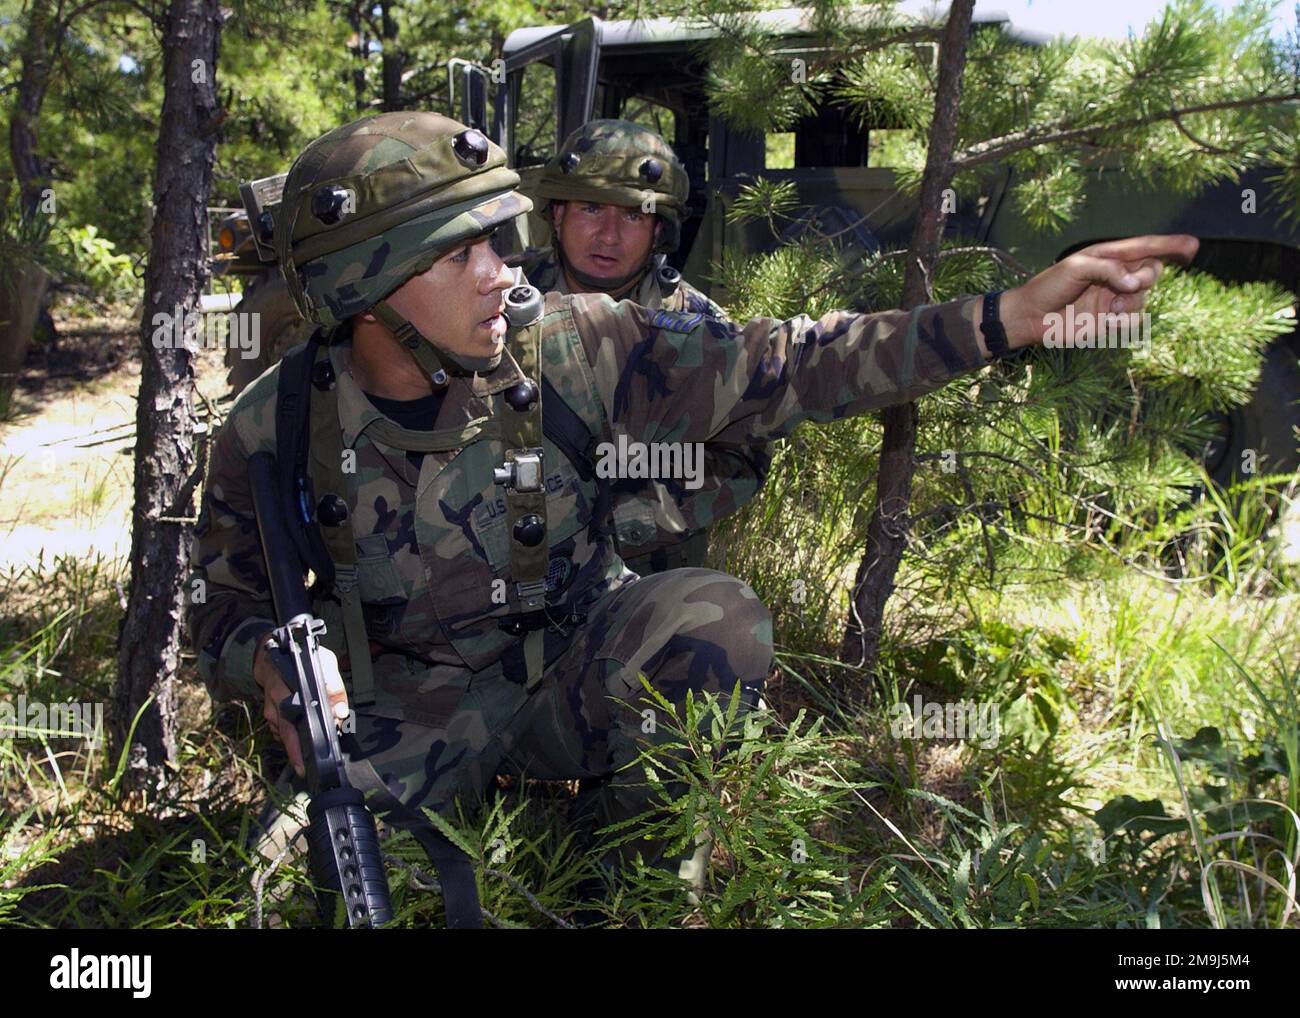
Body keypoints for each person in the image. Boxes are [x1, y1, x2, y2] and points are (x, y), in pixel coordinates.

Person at [187, 110, 1195, 926]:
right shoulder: (273, 426)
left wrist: (1005, 316)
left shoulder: (577, 344)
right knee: (284, 893)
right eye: (462, 255)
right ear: (367, 291)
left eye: (501, 240)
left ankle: (624, 881)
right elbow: (221, 609)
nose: (503, 269)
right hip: (409, 704)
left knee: (713, 618)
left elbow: (792, 361)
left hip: (575, 668)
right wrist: (269, 664)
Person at [518, 118, 760, 574]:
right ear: (557, 212)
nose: (609, 235)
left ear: (658, 232)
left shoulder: (695, 325)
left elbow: (741, 456)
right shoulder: (502, 301)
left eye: (633, 215)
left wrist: (621, 519)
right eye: (592, 208)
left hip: (648, 578)